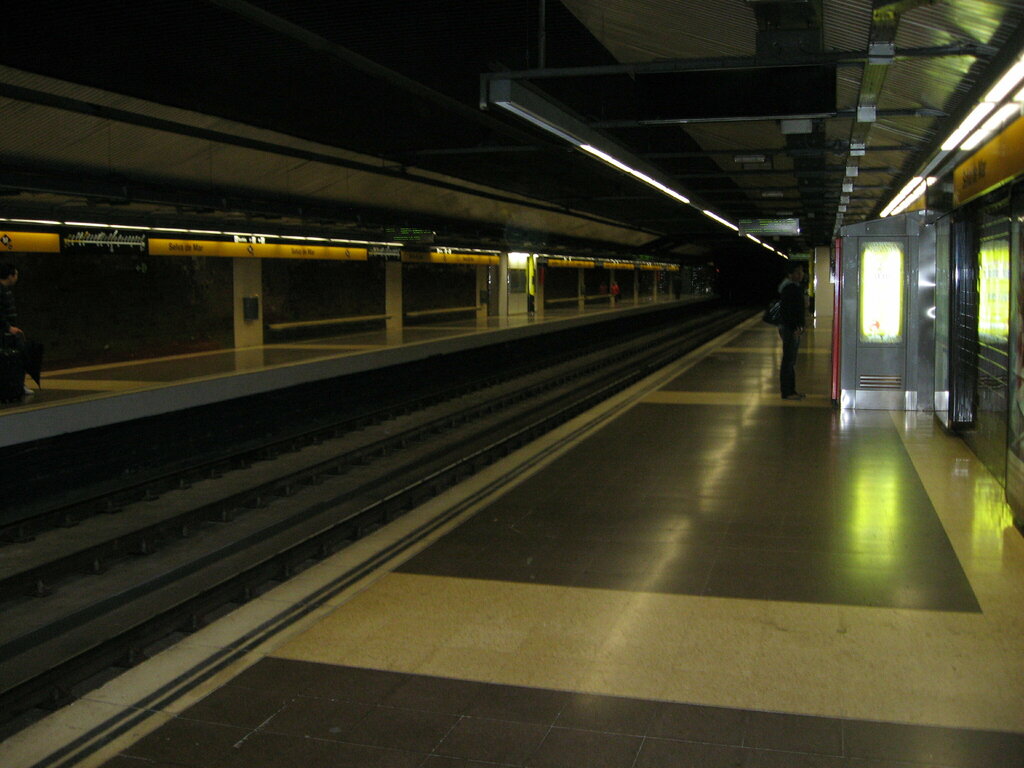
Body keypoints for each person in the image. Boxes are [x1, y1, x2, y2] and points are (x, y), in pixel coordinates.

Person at [0, 263, 33, 396]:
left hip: (8, 330)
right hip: (5, 332)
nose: (17, 277)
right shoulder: (1, 291)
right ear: (10, 275)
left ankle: (16, 384)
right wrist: (8, 327)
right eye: (16, 274)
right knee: (17, 357)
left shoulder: (5, 290)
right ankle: (16, 385)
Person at [778, 262, 806, 400]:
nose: (801, 275)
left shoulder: (792, 287)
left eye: (802, 272)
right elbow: (790, 311)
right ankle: (787, 392)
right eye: (797, 272)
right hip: (790, 328)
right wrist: (796, 327)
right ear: (790, 274)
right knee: (789, 360)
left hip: (790, 327)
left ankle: (791, 391)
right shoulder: (790, 288)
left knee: (790, 360)